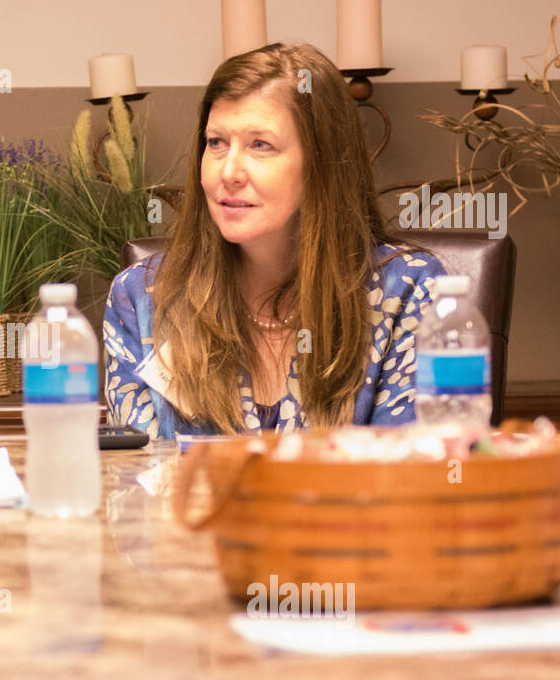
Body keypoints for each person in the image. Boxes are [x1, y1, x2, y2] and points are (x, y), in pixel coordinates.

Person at [104, 43, 447, 439]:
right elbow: (139, 468)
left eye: (260, 145)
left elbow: (413, 464)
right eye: (216, 143)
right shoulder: (143, 298)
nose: (229, 172)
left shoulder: (407, 292)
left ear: (322, 164)